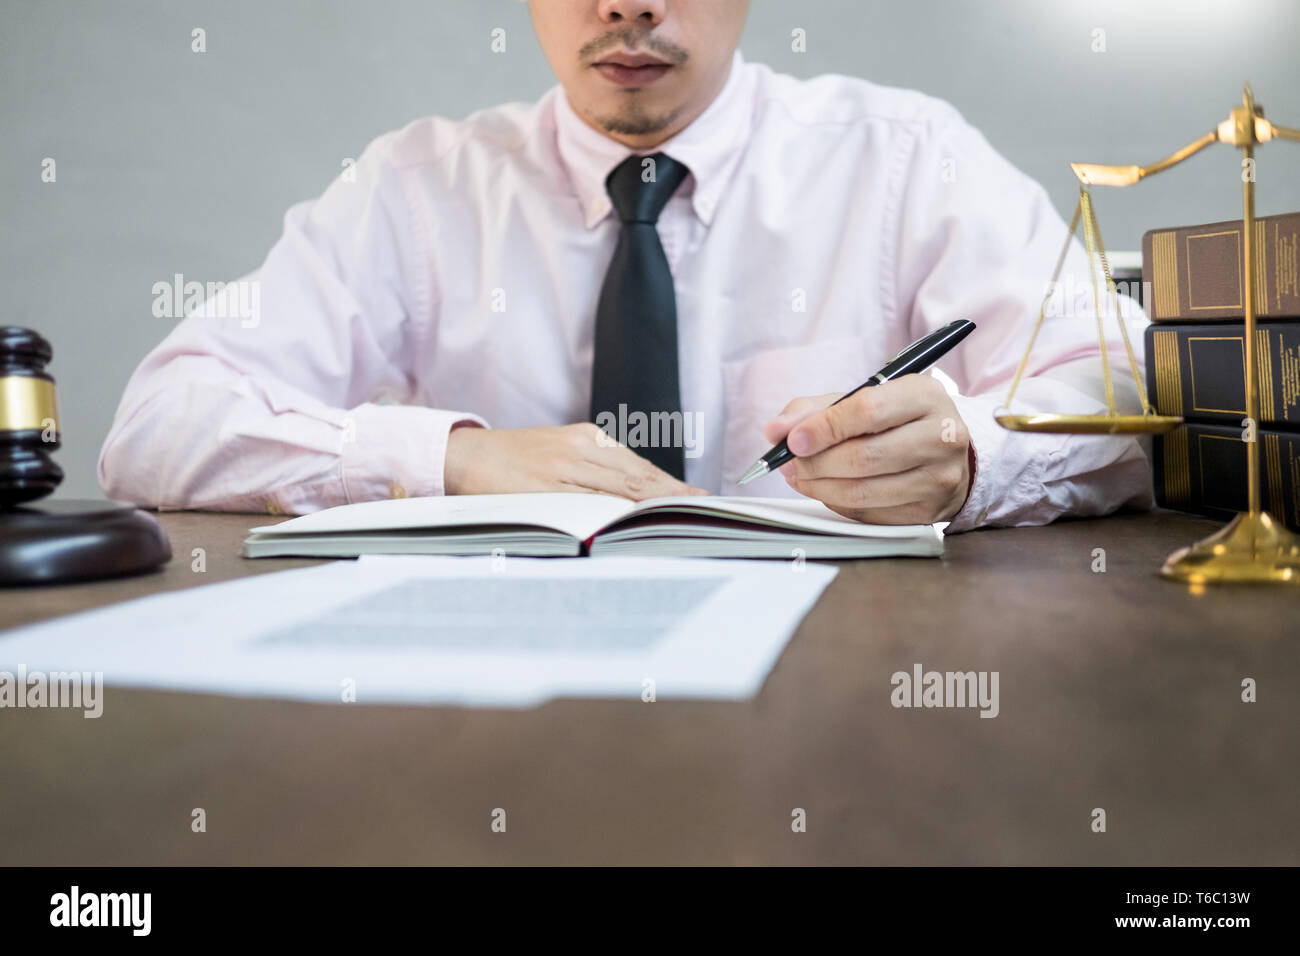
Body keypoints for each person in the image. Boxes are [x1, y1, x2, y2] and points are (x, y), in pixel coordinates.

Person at [99, 0, 1152, 531]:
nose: (625, 4)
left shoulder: (908, 159)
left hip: (840, 687)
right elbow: (157, 424)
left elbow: (1131, 385)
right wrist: (453, 459)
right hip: (491, 698)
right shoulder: (412, 188)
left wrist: (973, 452)